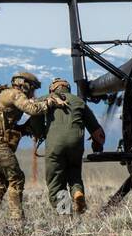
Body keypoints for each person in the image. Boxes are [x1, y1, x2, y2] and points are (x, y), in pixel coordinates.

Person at [0, 71, 54, 221]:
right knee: (16, 178)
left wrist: (25, 128)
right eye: (33, 89)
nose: (33, 93)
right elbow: (33, 109)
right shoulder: (15, 94)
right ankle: (17, 222)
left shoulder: (3, 94)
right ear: (26, 85)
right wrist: (50, 102)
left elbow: (7, 124)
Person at [37, 78, 105, 214]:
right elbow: (97, 132)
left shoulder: (44, 99)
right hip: (76, 146)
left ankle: (65, 215)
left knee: (56, 180)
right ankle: (77, 193)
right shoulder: (79, 101)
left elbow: (35, 120)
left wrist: (41, 133)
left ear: (52, 89)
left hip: (55, 146)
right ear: (68, 89)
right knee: (74, 174)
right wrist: (97, 146)